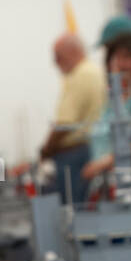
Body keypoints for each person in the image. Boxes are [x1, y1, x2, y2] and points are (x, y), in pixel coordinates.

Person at [81, 29, 131, 183]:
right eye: (114, 58)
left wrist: (104, 163)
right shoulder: (110, 100)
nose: (119, 64)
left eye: (126, 57)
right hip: (104, 186)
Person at [40, 34, 105, 201]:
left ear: (72, 51)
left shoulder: (79, 75)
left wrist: (45, 151)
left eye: (58, 57)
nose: (55, 63)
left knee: (71, 210)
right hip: (89, 150)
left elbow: (65, 123)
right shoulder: (94, 71)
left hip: (73, 156)